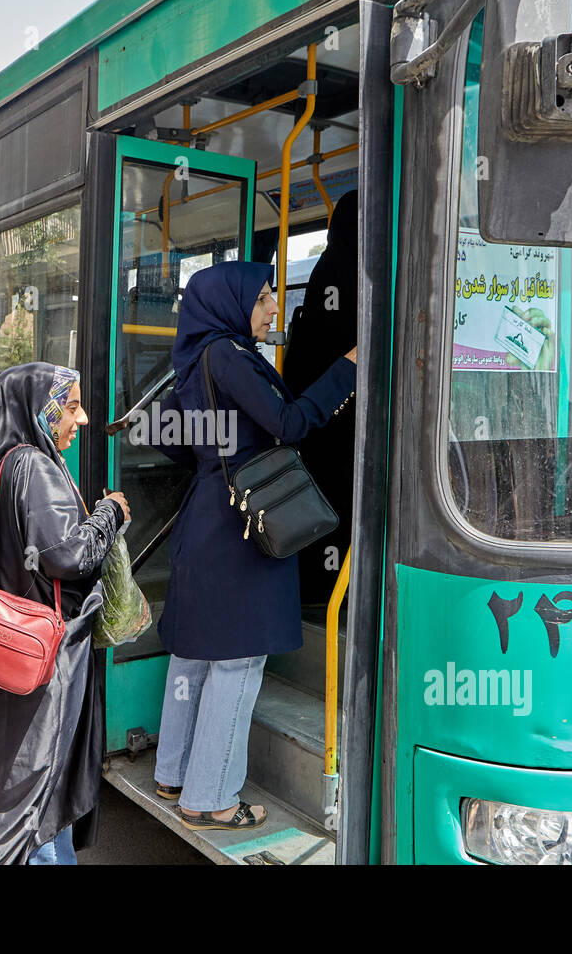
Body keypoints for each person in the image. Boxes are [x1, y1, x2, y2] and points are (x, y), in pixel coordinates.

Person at [154, 261, 356, 829]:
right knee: (237, 665)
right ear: (228, 304)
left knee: (193, 654)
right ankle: (211, 798)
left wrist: (215, 462)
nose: (274, 307)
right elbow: (289, 424)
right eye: (264, 296)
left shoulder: (194, 360)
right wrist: (346, 368)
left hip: (206, 520)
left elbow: (175, 441)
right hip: (241, 530)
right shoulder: (228, 355)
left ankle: (172, 774)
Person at [0, 363, 129, 864]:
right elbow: (68, 555)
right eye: (72, 406)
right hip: (44, 664)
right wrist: (111, 514)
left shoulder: (5, 462)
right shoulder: (35, 467)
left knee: (13, 785)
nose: (80, 420)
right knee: (36, 790)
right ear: (40, 410)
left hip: (8, 654)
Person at [283, 190, 358, 606]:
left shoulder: (327, 270)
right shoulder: (350, 274)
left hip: (321, 421)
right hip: (335, 416)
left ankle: (321, 587)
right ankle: (333, 592)